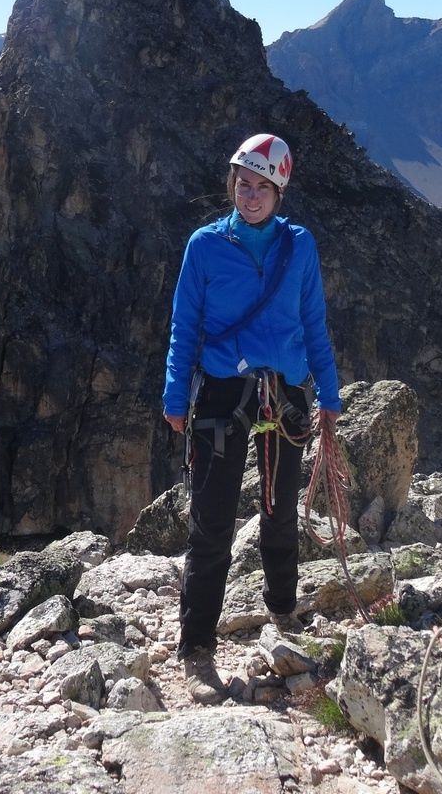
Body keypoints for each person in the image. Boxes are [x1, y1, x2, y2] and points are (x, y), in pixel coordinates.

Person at [161, 132, 343, 704]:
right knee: (211, 522)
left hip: (285, 392)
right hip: (221, 393)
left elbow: (313, 321)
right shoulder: (204, 246)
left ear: (279, 189)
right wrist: (174, 395)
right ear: (232, 184)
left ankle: (283, 611)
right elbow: (184, 326)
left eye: (262, 185)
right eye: (243, 183)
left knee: (280, 509)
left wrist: (330, 394)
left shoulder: (300, 246)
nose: (250, 194)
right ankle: (196, 646)